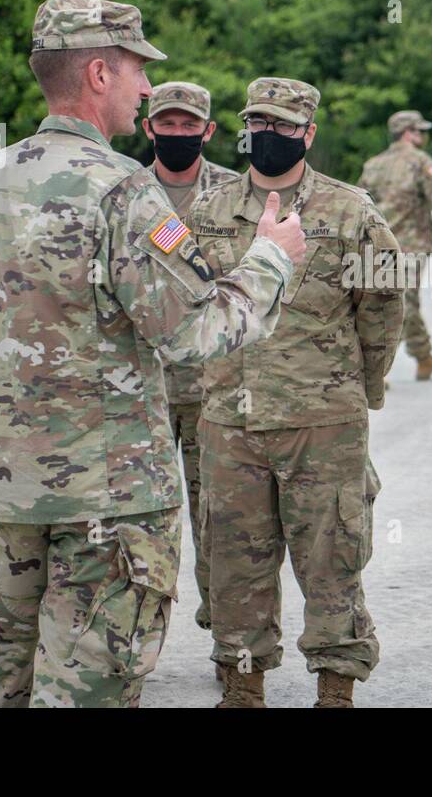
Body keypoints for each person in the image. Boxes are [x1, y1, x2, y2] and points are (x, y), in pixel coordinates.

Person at [0, 0, 305, 708]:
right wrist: (271, 260)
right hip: (109, 507)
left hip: (7, 495)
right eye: (135, 70)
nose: (147, 88)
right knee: (86, 690)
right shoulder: (125, 190)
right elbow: (194, 332)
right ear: (98, 73)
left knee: (4, 682)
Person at [189, 77, 403, 707]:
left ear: (309, 134)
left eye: (284, 127)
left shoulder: (350, 211)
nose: (269, 136)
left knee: (332, 558)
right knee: (234, 562)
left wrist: (360, 386)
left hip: (324, 422)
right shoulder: (207, 210)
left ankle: (335, 689)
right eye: (258, 123)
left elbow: (382, 306)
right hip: (231, 420)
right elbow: (184, 302)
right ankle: (242, 686)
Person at [141, 80, 239, 631]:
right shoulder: (126, 192)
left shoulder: (233, 194)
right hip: (142, 384)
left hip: (211, 383)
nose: (177, 133)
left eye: (188, 124)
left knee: (219, 516)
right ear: (149, 126)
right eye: (167, 123)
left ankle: (229, 633)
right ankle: (137, 637)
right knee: (144, 517)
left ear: (208, 130)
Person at [358, 109, 432, 380]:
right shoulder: (420, 161)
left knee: (402, 301)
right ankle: (373, 370)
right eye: (420, 131)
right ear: (409, 133)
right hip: (410, 247)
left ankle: (424, 357)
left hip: (378, 245)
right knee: (401, 305)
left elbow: (361, 205)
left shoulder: (373, 164)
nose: (423, 136)